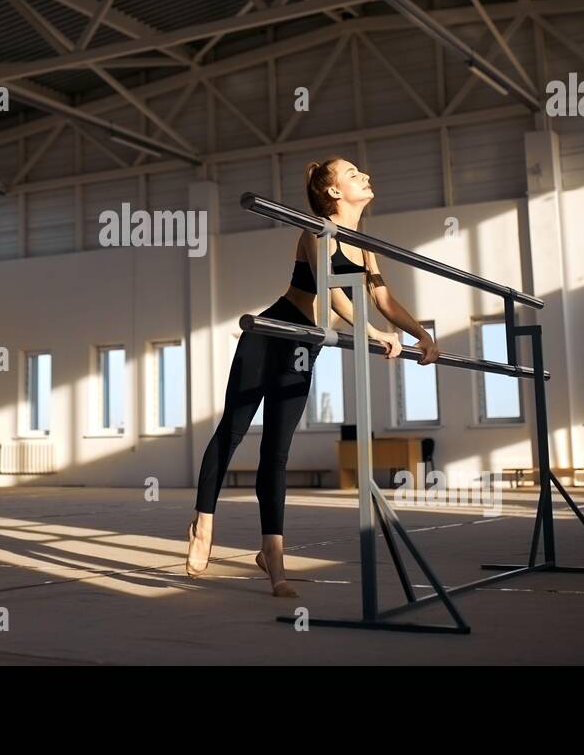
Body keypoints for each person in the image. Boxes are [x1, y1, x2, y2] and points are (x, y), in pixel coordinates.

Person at [186, 156, 440, 597]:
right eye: (352, 173)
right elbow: (334, 293)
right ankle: (202, 523)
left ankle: (273, 557)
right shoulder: (316, 231)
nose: (365, 174)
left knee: (277, 451)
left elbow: (383, 296)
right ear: (335, 193)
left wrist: (421, 334)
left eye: (363, 169)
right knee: (233, 431)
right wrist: (374, 333)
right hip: (271, 336)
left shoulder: (365, 244)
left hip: (304, 348)